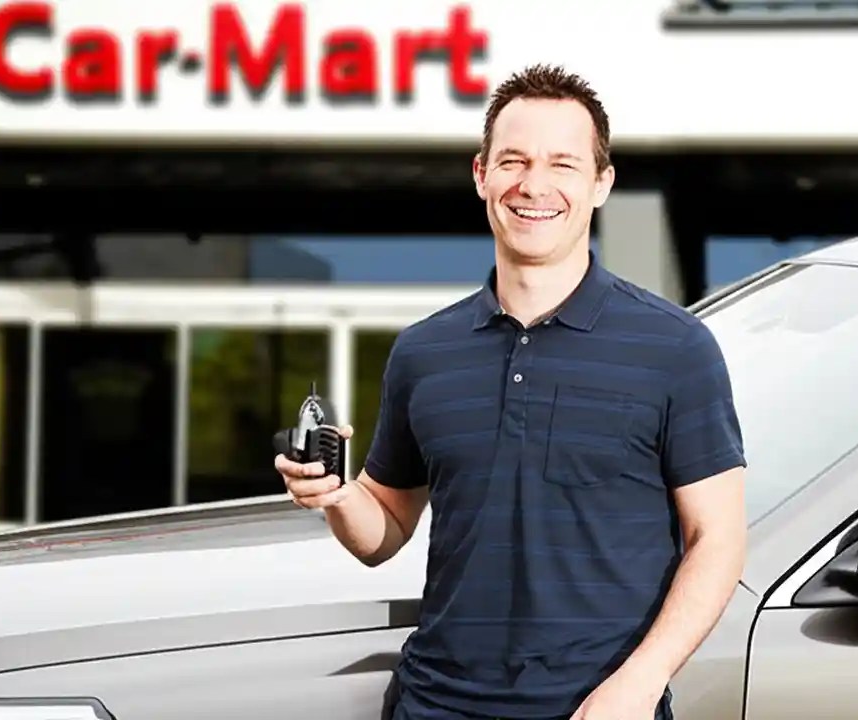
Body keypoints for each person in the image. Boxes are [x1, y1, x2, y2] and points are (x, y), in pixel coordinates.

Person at [276, 63, 747, 720]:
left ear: (601, 182)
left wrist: (641, 682)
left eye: (563, 163)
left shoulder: (675, 348)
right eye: (514, 161)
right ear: (481, 175)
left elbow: (717, 539)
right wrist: (336, 495)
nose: (534, 185)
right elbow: (383, 529)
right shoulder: (423, 352)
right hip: (437, 706)